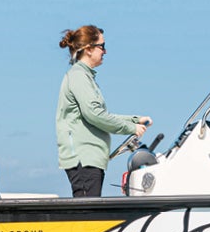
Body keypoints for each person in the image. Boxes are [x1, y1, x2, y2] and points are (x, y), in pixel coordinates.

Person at [56, 25, 151, 197]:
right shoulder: (79, 76)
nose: (105, 51)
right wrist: (130, 129)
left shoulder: (84, 77)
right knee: (86, 215)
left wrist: (134, 120)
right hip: (83, 158)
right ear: (89, 49)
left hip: (90, 158)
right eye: (102, 46)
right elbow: (94, 115)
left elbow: (99, 113)